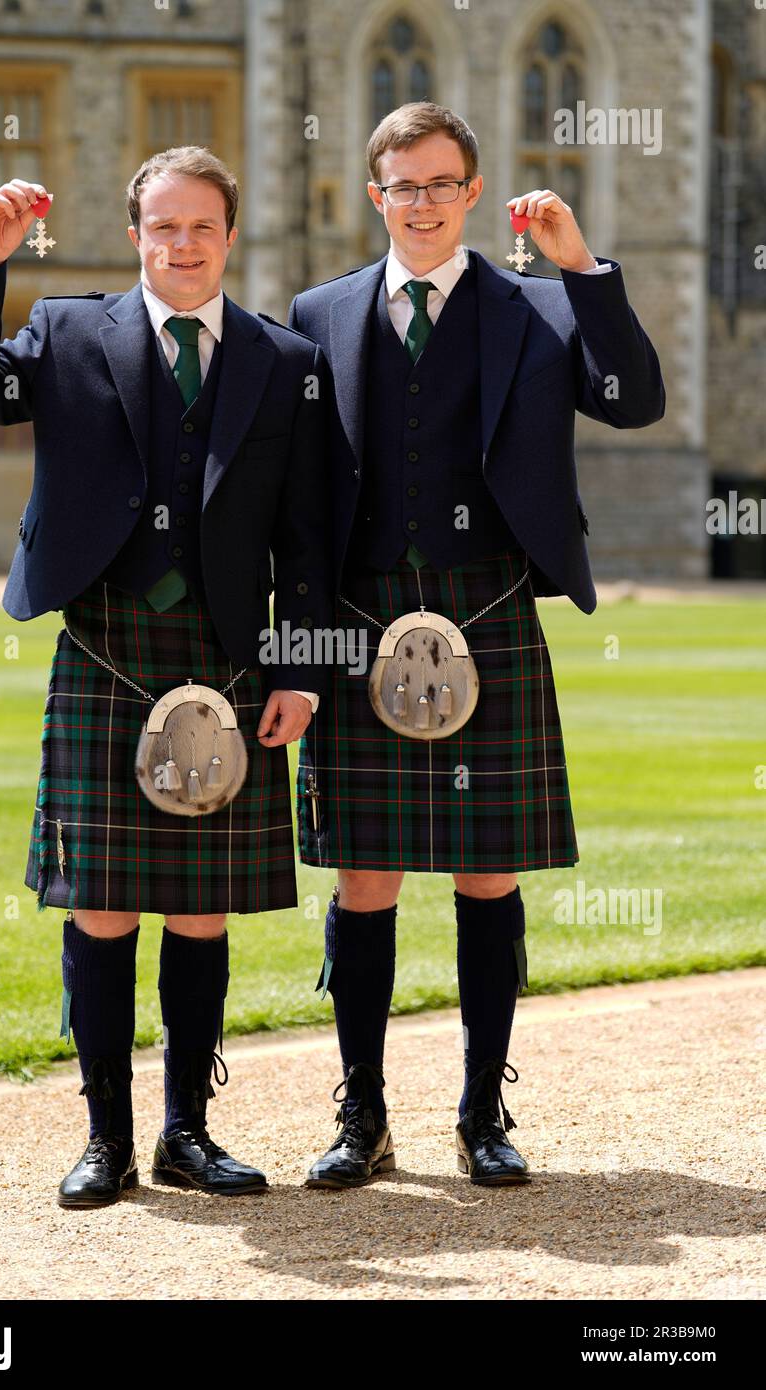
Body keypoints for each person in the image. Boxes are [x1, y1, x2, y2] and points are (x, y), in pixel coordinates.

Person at [0, 147, 333, 1207]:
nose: (182, 244)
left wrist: (298, 666)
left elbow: (308, 534)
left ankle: (186, 1131)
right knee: (101, 905)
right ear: (136, 233)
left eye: (201, 227)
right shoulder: (64, 331)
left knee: (202, 911)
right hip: (107, 649)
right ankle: (105, 1138)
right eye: (163, 227)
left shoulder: (281, 361)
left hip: (231, 661)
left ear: (229, 235)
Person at [289, 101, 665, 1189]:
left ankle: (482, 1112)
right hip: (363, 622)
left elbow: (634, 399)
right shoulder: (317, 312)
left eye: (442, 183)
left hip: (490, 611)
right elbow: (303, 503)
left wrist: (583, 265)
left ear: (471, 192)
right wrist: (299, 653)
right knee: (366, 880)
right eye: (402, 184)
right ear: (376, 195)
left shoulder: (539, 311)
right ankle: (363, 1115)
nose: (421, 202)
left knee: (488, 876)